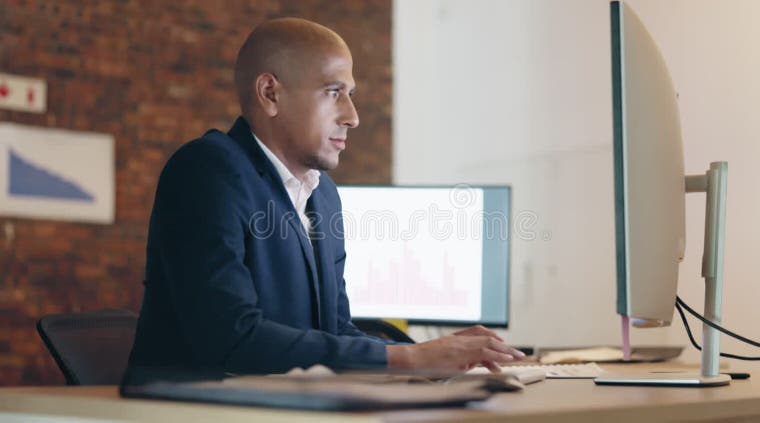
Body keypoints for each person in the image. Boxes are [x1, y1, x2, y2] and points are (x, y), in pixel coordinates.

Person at [128, 17, 524, 375]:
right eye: (334, 91)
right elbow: (232, 338)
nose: (352, 115)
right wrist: (409, 360)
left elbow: (335, 331)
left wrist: (439, 353)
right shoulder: (206, 171)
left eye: (350, 93)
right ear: (270, 93)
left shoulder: (323, 195)